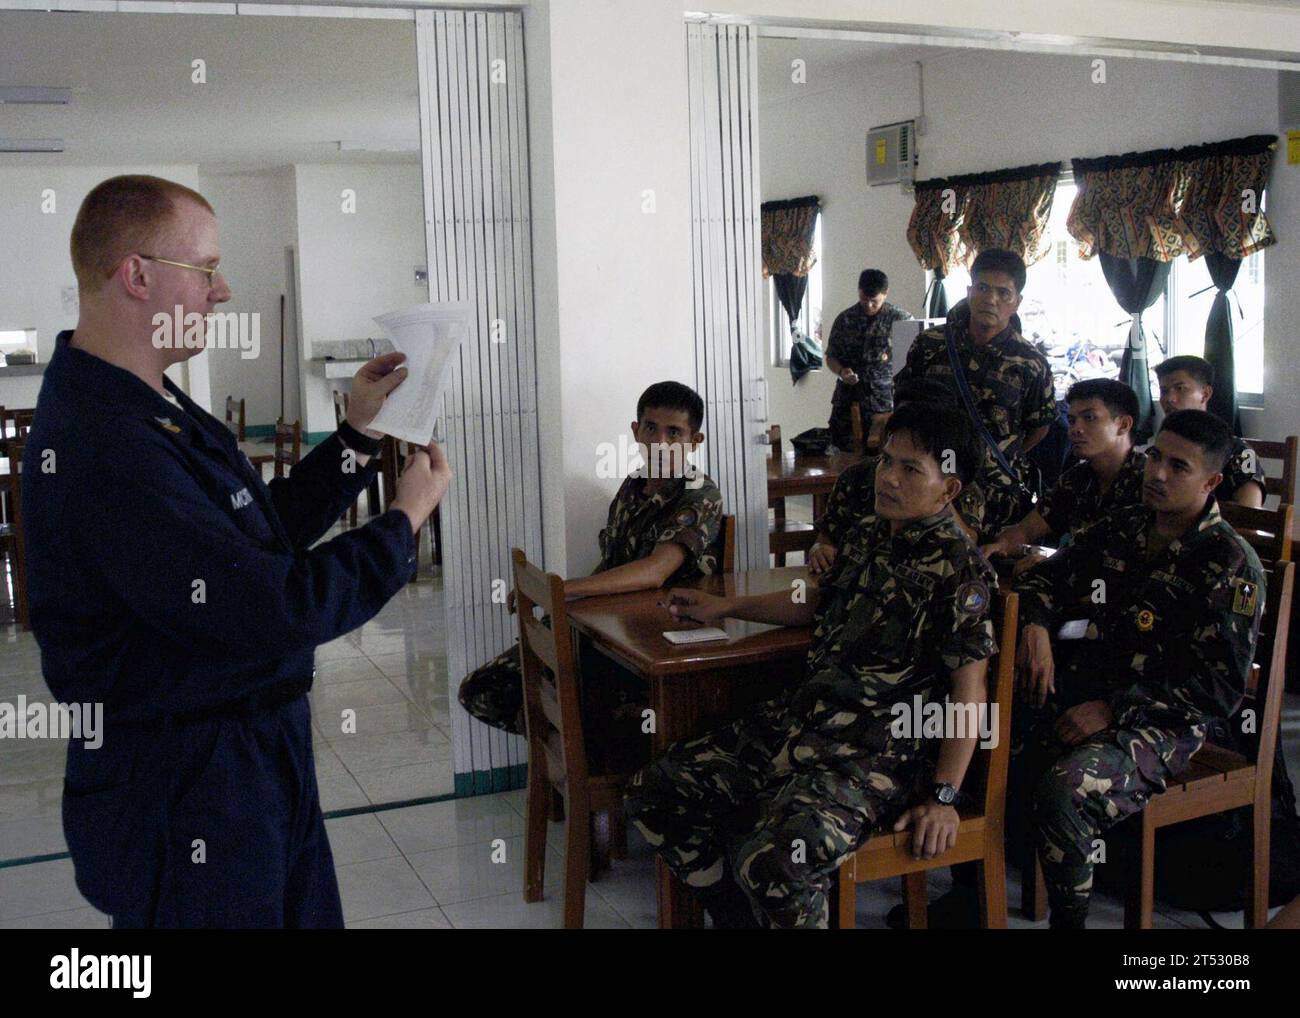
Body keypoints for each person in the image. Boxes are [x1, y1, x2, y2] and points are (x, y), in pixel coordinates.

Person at [22, 175, 451, 928]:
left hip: (246, 756)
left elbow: (254, 538)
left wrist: (354, 440)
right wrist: (401, 523)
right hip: (187, 785)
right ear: (138, 274)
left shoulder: (149, 398)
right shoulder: (108, 443)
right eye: (207, 268)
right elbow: (272, 605)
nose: (221, 292)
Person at [627, 402, 998, 929]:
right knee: (656, 791)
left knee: (777, 861)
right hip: (805, 724)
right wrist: (727, 607)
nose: (887, 479)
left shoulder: (961, 572)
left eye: (910, 469)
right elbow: (814, 600)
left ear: (950, 489)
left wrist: (944, 796)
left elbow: (969, 693)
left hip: (877, 759)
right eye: (886, 461)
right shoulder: (872, 533)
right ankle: (738, 917)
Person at [1013, 409, 1265, 929]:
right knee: (980, 738)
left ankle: (1070, 921)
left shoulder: (1230, 563)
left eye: (1179, 466)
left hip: (1166, 721)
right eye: (1155, 458)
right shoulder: (1124, 525)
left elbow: (1219, 690)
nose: (1157, 474)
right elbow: (1044, 580)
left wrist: (1113, 708)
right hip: (1088, 693)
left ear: (1212, 481)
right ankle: (973, 899)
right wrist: (1036, 628)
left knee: (1066, 790)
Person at [458, 381, 723, 754]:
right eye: (650, 428)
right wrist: (559, 606)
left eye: (674, 432)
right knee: (484, 689)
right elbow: (612, 564)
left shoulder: (699, 493)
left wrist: (561, 592)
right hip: (605, 631)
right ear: (636, 431)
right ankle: (569, 755)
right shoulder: (632, 488)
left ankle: (586, 774)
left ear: (695, 441)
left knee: (567, 704)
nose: (660, 442)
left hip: (655, 644)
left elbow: (654, 572)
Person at [893, 248, 1057, 539]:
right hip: (928, 481)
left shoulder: (1031, 363)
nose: (990, 299)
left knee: (985, 573)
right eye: (982, 288)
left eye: (1003, 293)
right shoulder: (930, 345)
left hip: (996, 496)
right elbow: (906, 404)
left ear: (1017, 302)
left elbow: (1039, 428)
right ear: (969, 291)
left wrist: (997, 457)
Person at [808, 376, 984, 576]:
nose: (888, 478)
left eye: (910, 469)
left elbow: (967, 542)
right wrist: (820, 550)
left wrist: (940, 490)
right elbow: (827, 538)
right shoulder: (859, 493)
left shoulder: (960, 486)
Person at [981, 378, 1144, 576]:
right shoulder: (1076, 479)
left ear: (1123, 424)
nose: (1075, 429)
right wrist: (1001, 545)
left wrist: (1056, 561)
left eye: (1090, 418)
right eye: (1072, 420)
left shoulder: (1150, 480)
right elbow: (1027, 530)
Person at [1153, 355, 1265, 507]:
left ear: (1205, 394)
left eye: (1180, 389)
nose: (1169, 399)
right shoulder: (1158, 450)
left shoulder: (1241, 453)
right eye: (1164, 391)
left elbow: (1249, 515)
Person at [824, 269, 911, 451]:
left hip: (884, 403)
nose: (869, 305)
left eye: (875, 301)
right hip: (848, 401)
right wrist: (841, 371)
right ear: (859, 291)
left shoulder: (901, 321)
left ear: (885, 294)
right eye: (865, 300)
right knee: (842, 455)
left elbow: (911, 363)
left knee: (884, 456)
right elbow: (831, 356)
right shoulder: (845, 319)